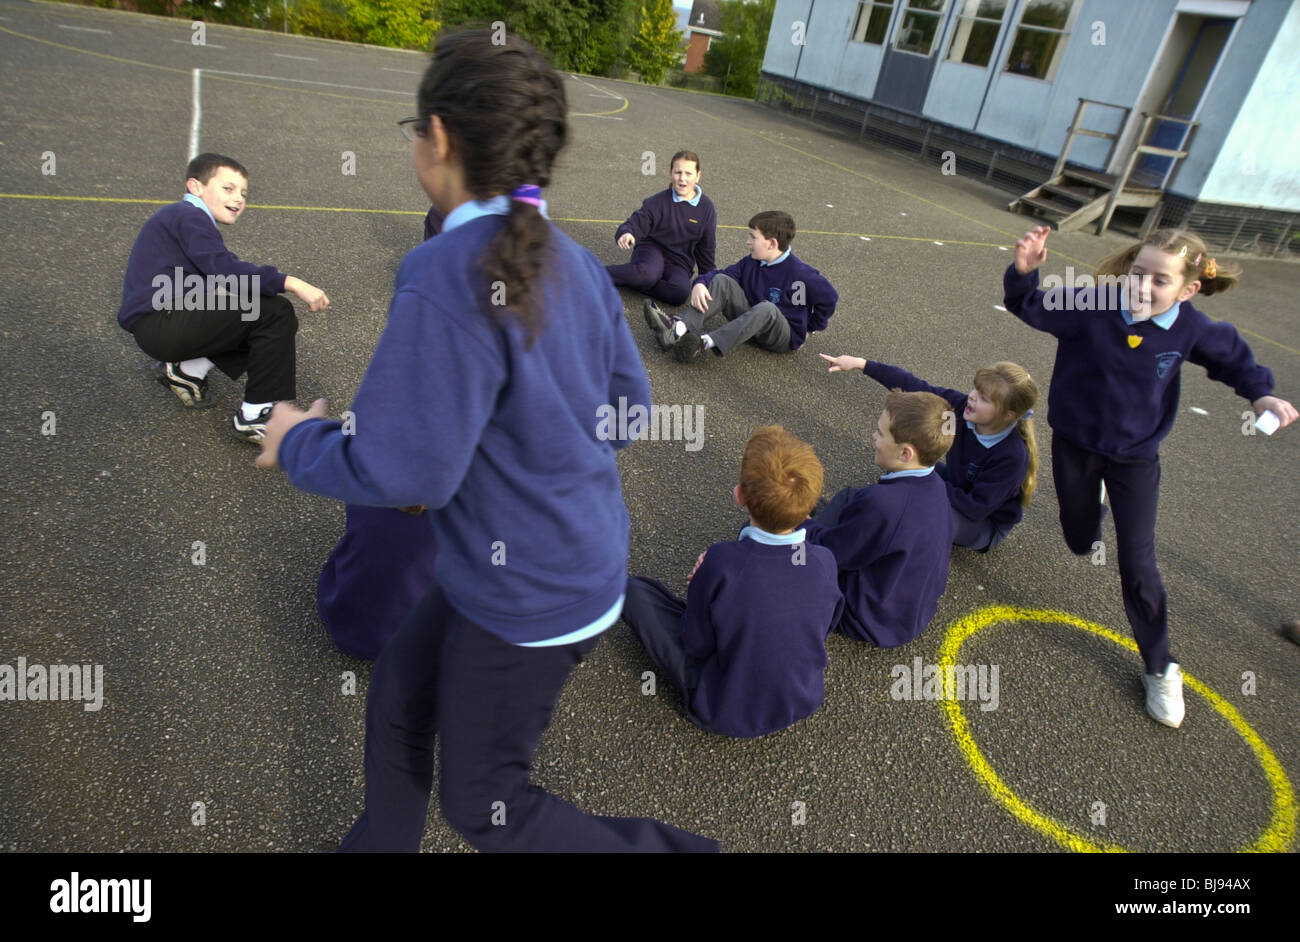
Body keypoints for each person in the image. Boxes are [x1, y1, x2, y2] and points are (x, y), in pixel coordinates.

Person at [256, 30, 717, 853]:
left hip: (528, 595)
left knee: (486, 805)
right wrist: (535, 444)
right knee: (399, 688)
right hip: (565, 561)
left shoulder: (444, 268)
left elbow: (405, 470)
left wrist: (294, 439)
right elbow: (629, 407)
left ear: (438, 138)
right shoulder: (571, 259)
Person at [1004, 225, 1297, 728]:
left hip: (1135, 459)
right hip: (1076, 446)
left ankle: (1160, 665)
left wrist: (1261, 395)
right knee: (1078, 538)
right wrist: (1024, 274)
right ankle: (1088, 506)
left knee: (1138, 561)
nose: (1143, 285)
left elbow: (1234, 359)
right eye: (1139, 272)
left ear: (1188, 289)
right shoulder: (1093, 305)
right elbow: (1030, 307)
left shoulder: (1192, 329)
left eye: (1160, 280)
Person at [621, 426, 843, 739]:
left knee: (634, 592)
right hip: (801, 699)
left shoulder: (722, 561)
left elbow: (697, 643)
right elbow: (826, 621)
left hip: (725, 707)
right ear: (809, 510)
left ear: (740, 495)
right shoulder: (823, 560)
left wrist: (702, 586)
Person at [116, 153, 329, 442]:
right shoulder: (188, 216)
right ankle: (256, 417)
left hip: (161, 322)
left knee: (247, 312)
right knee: (273, 312)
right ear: (196, 187)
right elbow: (225, 269)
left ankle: (187, 372)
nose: (239, 198)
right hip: (161, 322)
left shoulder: (183, 217)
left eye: (244, 193)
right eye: (228, 189)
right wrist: (289, 282)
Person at [821, 354, 1038, 552]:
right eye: (975, 390)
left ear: (1008, 415)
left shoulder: (1011, 456)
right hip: (957, 485)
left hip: (983, 523)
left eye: (984, 398)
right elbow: (915, 387)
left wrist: (928, 486)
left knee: (920, 510)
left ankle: (877, 541)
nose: (972, 397)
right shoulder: (960, 410)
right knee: (900, 461)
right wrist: (861, 364)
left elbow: (975, 508)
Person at [802, 391, 955, 647]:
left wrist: (802, 524)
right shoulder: (937, 485)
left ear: (906, 453)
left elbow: (832, 552)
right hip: (910, 610)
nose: (874, 436)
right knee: (850, 497)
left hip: (870, 619)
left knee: (775, 533)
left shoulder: (883, 505)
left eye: (881, 433)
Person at [646, 210, 837, 362]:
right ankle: (677, 330)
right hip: (751, 323)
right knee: (721, 282)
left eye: (753, 237)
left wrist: (810, 329)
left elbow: (829, 299)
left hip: (782, 337)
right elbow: (721, 275)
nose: (748, 241)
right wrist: (700, 284)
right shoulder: (752, 262)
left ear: (771, 243)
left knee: (767, 308)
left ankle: (703, 344)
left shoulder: (800, 274)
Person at [607, 150, 716, 309]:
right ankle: (597, 273)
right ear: (670, 174)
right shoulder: (658, 201)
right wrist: (627, 233)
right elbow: (636, 221)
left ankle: (634, 279)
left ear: (698, 176)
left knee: (681, 293)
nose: (682, 178)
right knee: (648, 274)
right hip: (652, 249)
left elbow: (706, 247)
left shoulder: (707, 208)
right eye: (678, 172)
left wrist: (708, 280)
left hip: (680, 262)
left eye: (688, 173)